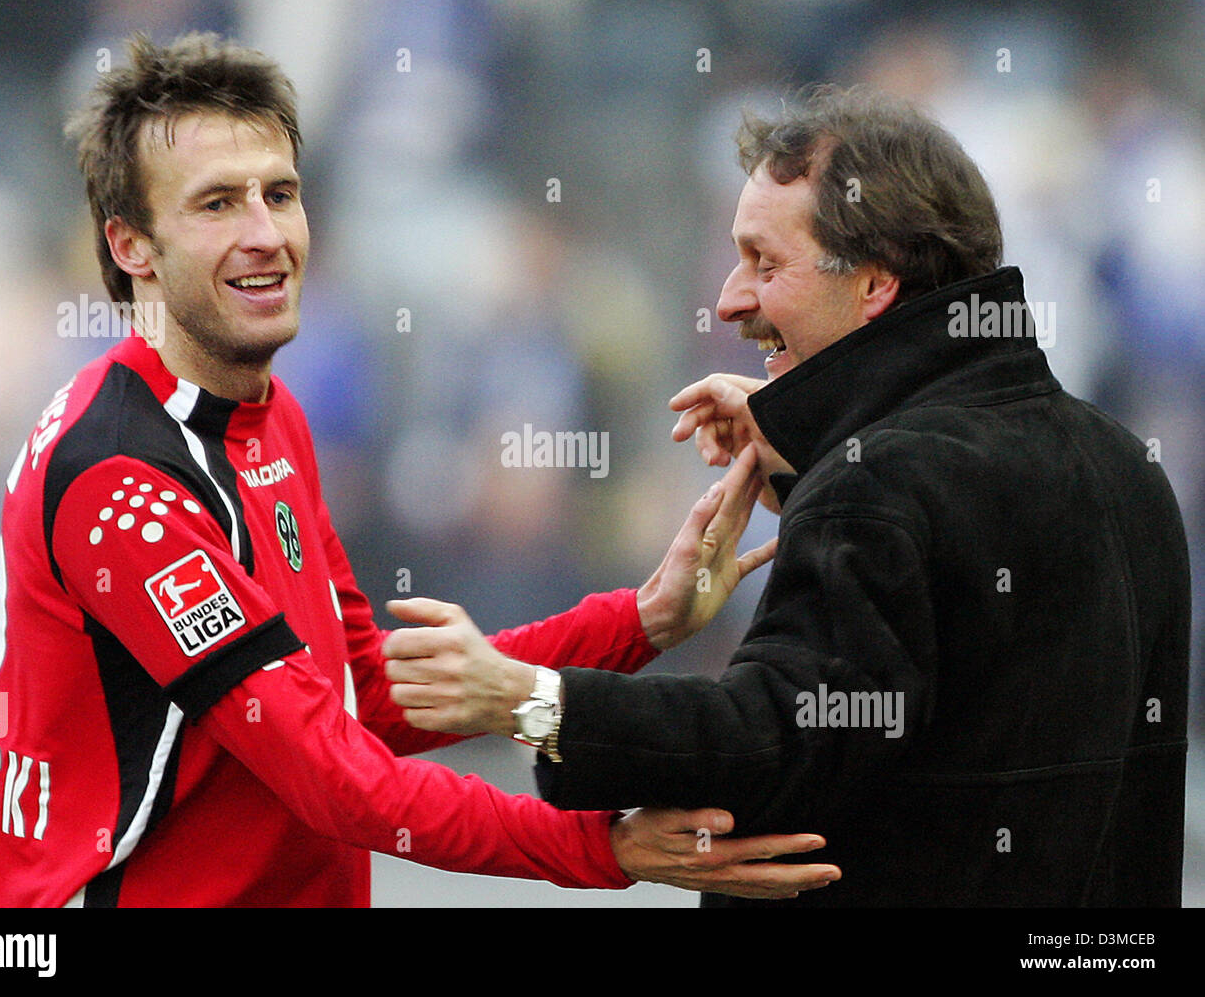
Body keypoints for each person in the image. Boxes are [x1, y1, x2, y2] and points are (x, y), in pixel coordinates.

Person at [0, 32, 842, 907]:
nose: (265, 234)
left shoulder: (267, 415)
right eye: (215, 205)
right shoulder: (121, 481)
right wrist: (605, 845)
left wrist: (641, 620)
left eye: (280, 194)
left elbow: (360, 694)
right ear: (131, 246)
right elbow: (336, 775)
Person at [384, 85, 1192, 907]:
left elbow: (769, 744)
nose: (731, 299)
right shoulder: (1128, 465)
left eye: (765, 264)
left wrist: (530, 698)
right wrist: (813, 453)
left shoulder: (878, 485)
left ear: (875, 283)